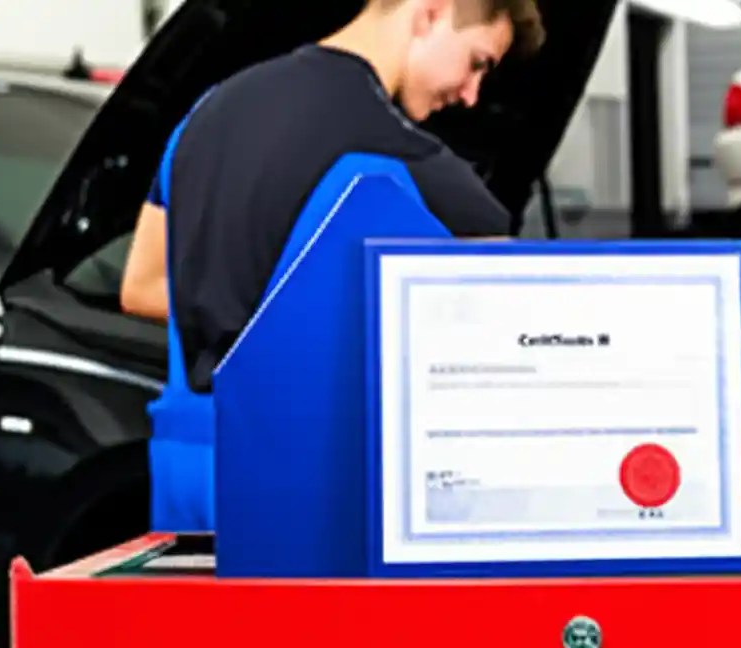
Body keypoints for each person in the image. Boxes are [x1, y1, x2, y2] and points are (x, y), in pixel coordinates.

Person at [120, 0, 545, 531]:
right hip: (299, 482)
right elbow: (507, 313)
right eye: (477, 62)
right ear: (431, 13)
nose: (470, 93)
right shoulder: (402, 160)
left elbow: (140, 286)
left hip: (186, 471)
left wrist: (253, 299)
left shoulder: (206, 113)